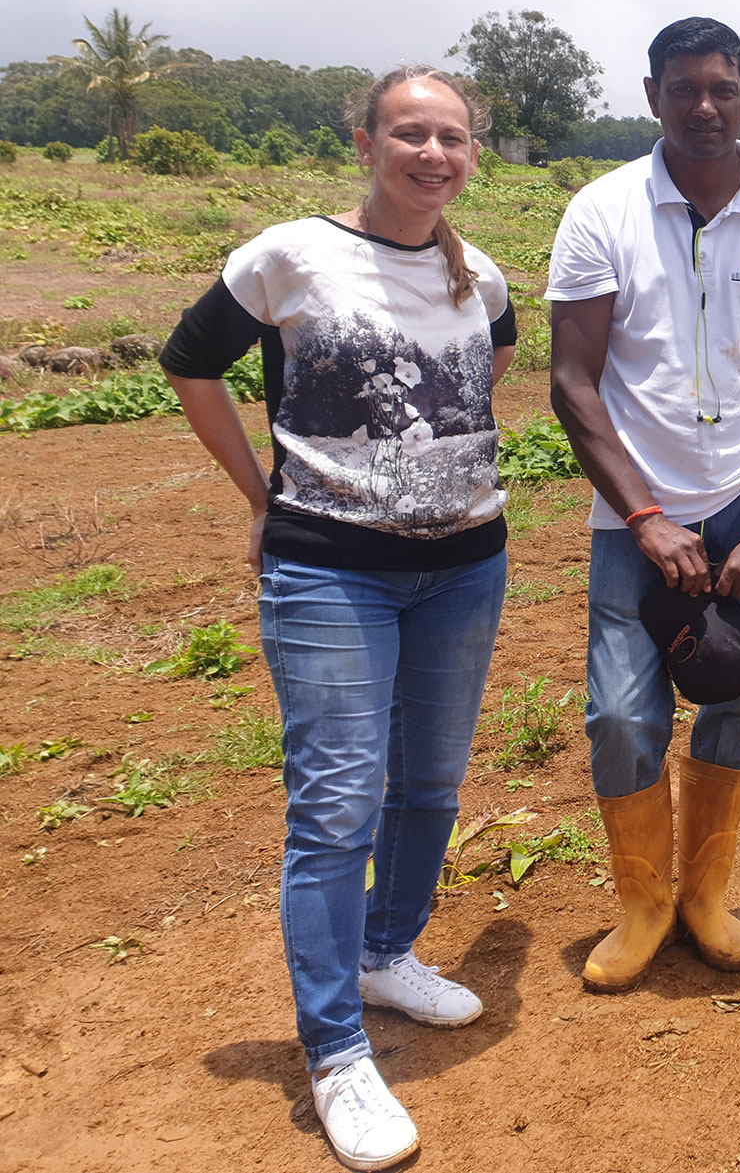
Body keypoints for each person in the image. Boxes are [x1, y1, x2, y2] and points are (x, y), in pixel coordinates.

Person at [160, 66, 516, 1170]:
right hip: (330, 573)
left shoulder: (481, 273)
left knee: (431, 783)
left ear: (472, 152)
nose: (432, 154)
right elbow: (190, 362)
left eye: (451, 137)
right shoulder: (291, 256)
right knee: (335, 807)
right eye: (409, 133)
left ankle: (385, 951)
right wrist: (261, 498)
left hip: (465, 568)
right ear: (365, 142)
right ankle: (336, 1050)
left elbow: (491, 369)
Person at [547, 17, 740, 990]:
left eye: (721, 88)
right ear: (652, 96)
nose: (704, 106)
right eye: (684, 89)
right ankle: (643, 905)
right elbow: (574, 382)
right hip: (635, 509)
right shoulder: (602, 212)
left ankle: (705, 898)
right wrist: (645, 517)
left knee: (736, 699)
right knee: (621, 714)